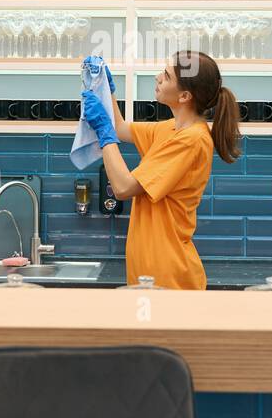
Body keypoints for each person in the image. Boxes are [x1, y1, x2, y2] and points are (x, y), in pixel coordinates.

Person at [80, 51, 241, 289]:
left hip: (169, 274)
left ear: (185, 95)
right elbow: (121, 128)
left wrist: (103, 131)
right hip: (149, 271)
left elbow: (123, 188)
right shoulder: (170, 129)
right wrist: (105, 88)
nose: (157, 78)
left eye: (166, 76)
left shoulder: (192, 140)